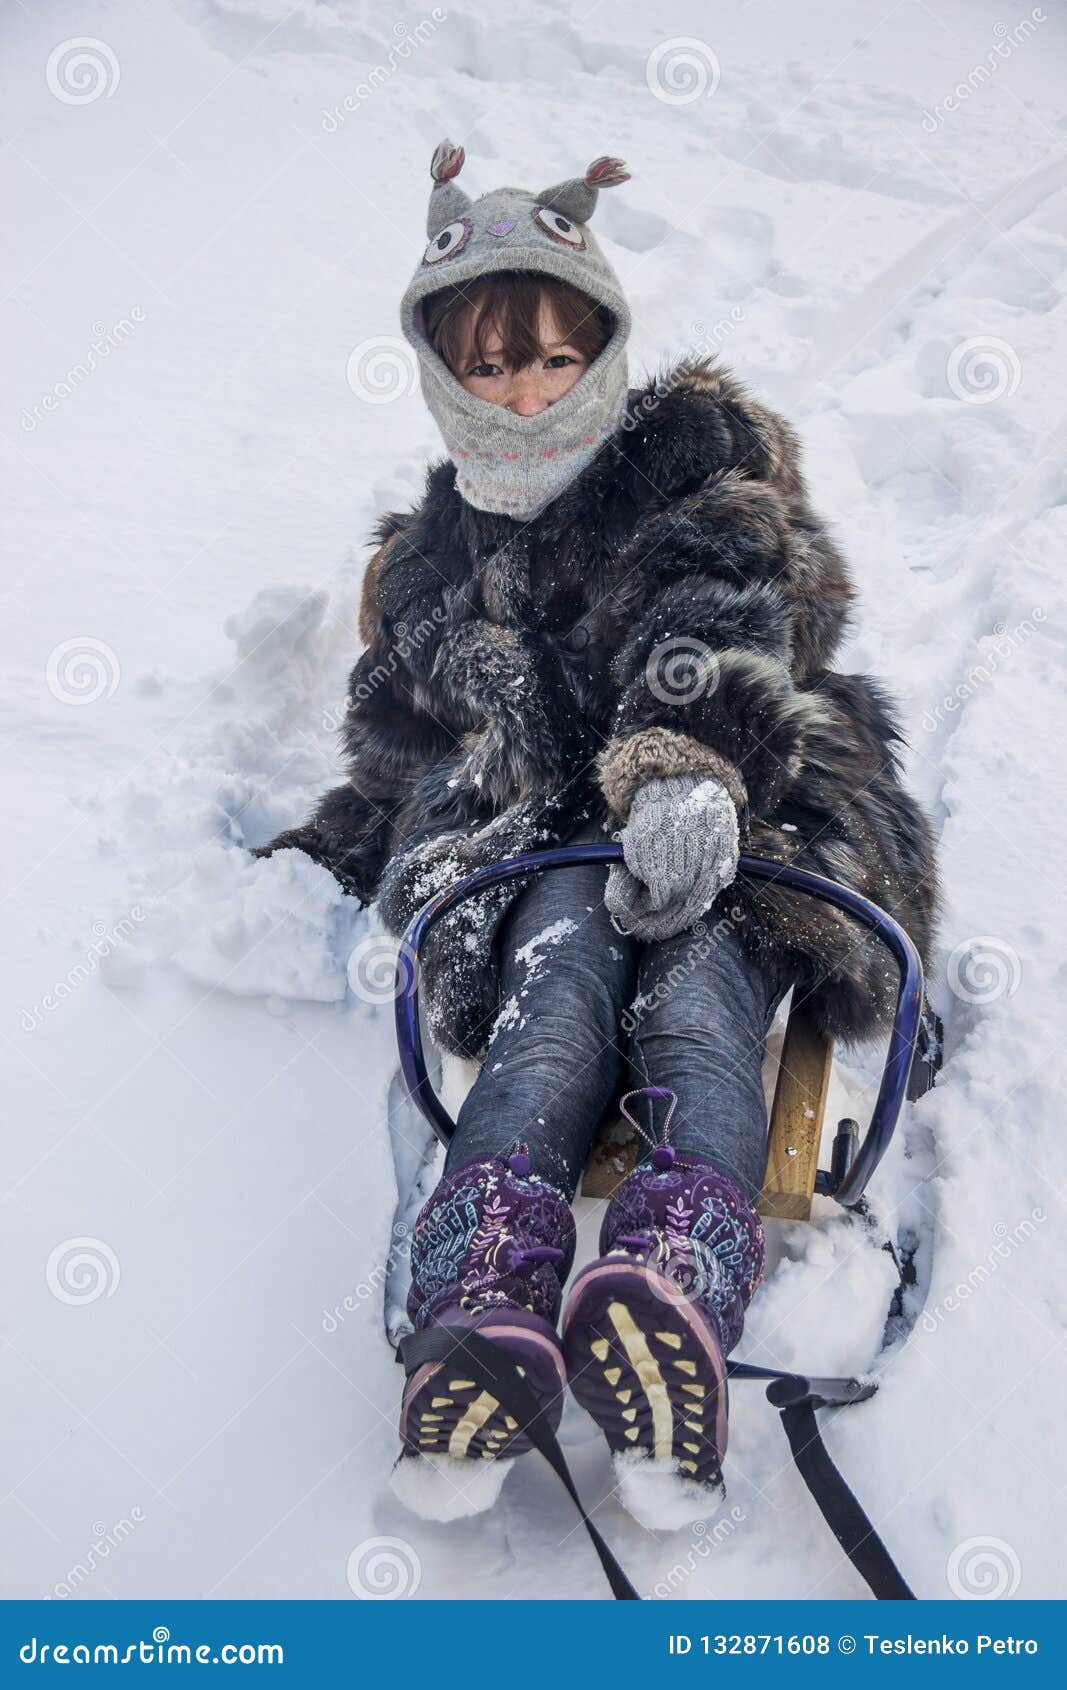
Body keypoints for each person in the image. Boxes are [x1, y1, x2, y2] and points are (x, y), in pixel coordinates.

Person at [253, 141, 938, 1530]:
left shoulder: (686, 459)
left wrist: (694, 770)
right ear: (448, 374)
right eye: (496, 366)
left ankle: (672, 1278)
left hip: (741, 796)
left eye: (558, 356)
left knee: (697, 989)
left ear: (603, 344)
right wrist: (339, 837)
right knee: (553, 997)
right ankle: (485, 1287)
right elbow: (414, 741)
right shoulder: (438, 557)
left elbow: (719, 605)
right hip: (549, 843)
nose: (530, 391)